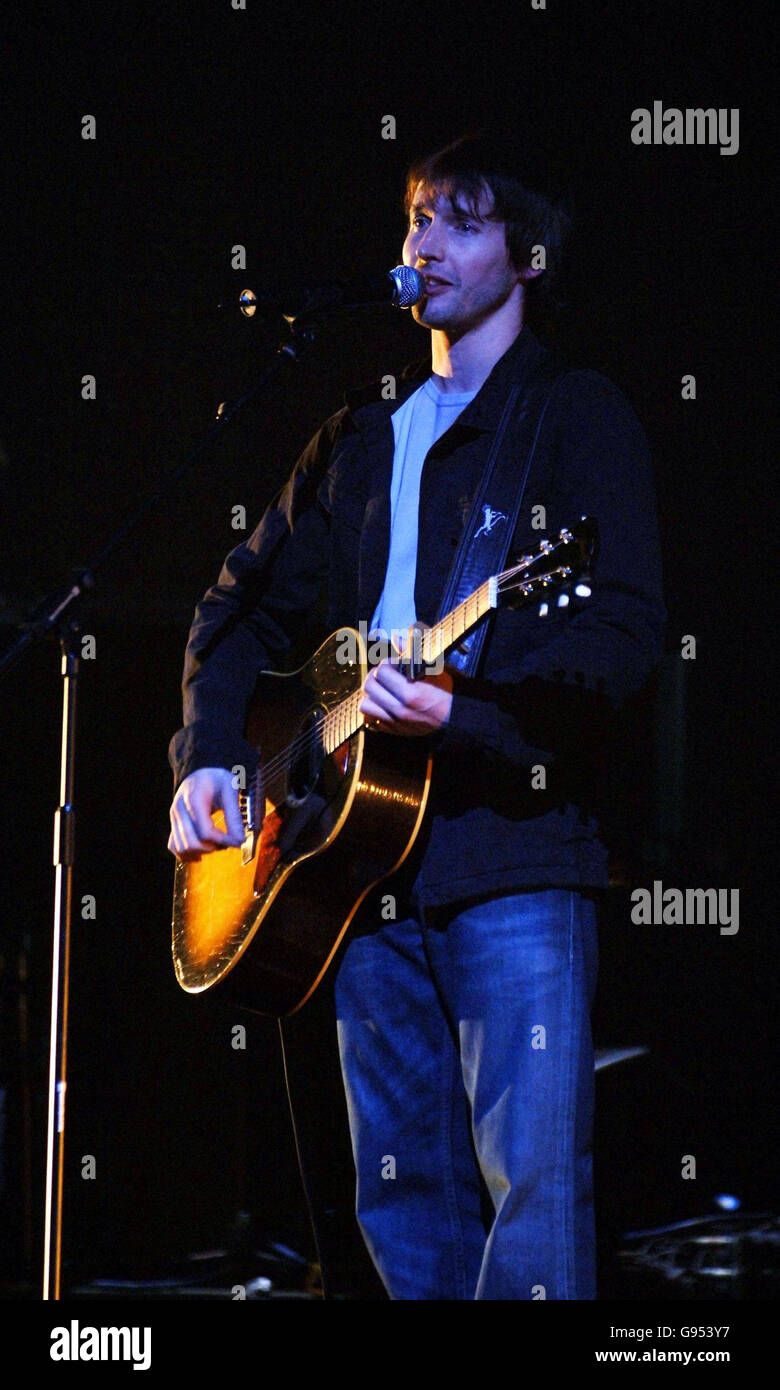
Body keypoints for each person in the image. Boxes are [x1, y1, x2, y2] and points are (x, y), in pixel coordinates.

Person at [167, 134, 665, 1300]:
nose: (422, 244)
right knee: (399, 1206)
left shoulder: (574, 417)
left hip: (512, 858)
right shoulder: (357, 438)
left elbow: (624, 637)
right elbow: (230, 612)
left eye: (462, 220)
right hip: (354, 875)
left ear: (528, 254)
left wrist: (466, 713)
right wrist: (207, 758)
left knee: (535, 1200)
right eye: (415, 218)